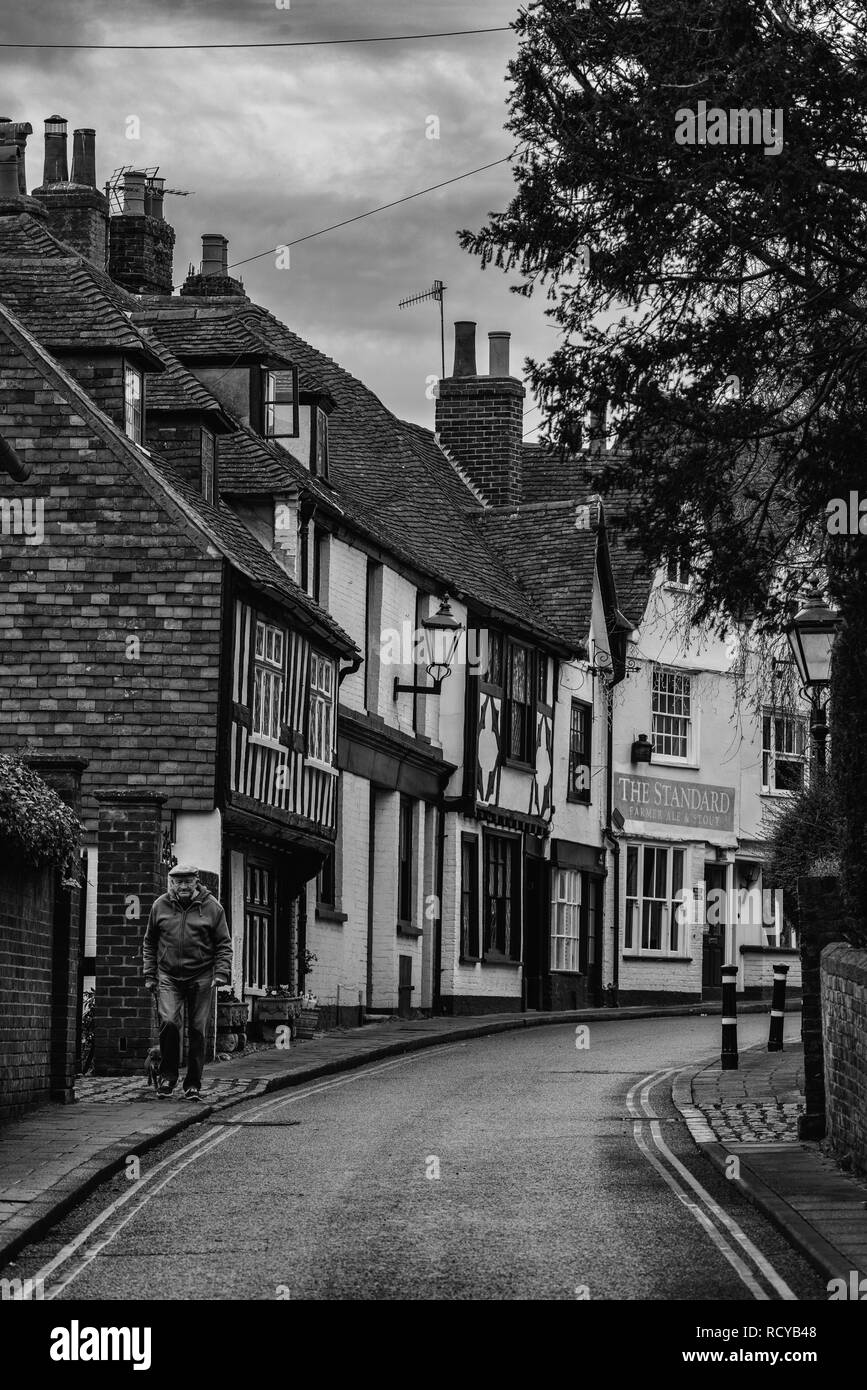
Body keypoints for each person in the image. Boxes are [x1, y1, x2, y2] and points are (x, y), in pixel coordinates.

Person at [142, 864, 233, 1099]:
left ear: (196, 882)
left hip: (201, 975)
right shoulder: (159, 905)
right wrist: (150, 974)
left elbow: (223, 943)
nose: (182, 886)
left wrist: (221, 973)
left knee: (197, 1030)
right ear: (171, 883)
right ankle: (168, 1077)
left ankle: (193, 1084)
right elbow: (150, 943)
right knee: (170, 1022)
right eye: (178, 882)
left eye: (187, 881)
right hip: (168, 975)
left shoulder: (212, 907)